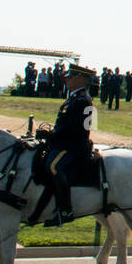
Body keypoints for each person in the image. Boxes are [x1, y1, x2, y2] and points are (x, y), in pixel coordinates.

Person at [36, 64, 97, 226]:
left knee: (54, 167)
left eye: (70, 76)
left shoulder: (83, 100)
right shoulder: (75, 98)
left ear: (80, 79)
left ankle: (66, 210)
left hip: (72, 147)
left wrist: (51, 135)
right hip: (64, 143)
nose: (66, 79)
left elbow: (78, 130)